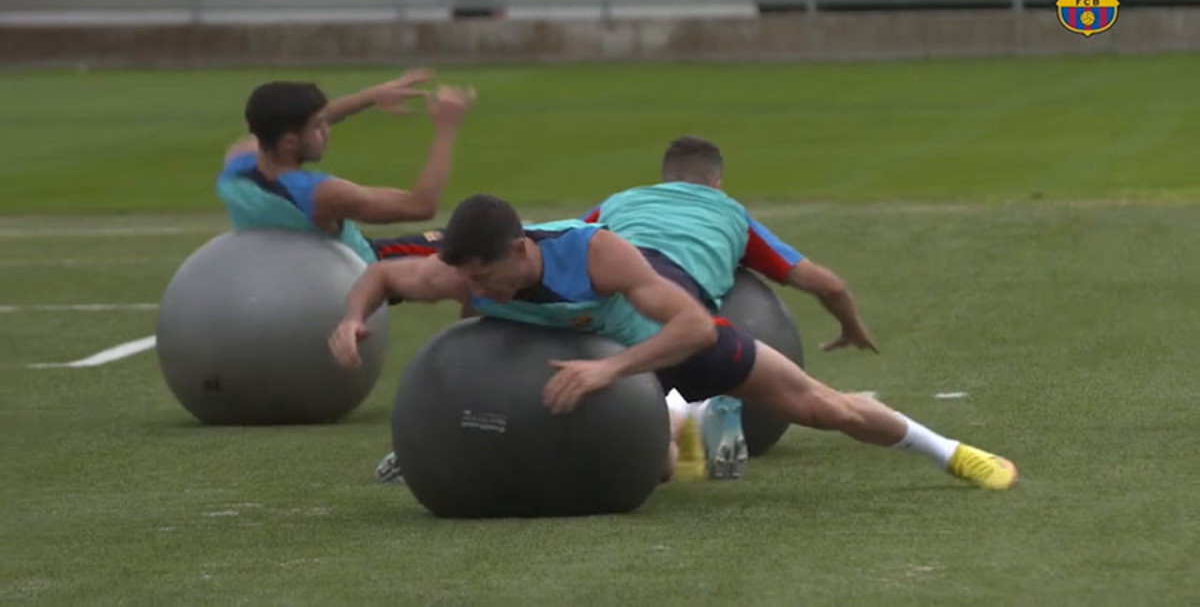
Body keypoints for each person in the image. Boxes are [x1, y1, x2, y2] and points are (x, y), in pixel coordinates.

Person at [329, 193, 1020, 492]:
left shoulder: (596, 253)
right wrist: (351, 317)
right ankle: (679, 427)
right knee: (656, 472)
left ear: (519, 248)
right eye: (464, 277)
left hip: (655, 346)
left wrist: (616, 372)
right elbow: (384, 272)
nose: (479, 288)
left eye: (487, 276)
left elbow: (690, 323)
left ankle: (952, 452)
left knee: (823, 407)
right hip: (582, 352)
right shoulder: (459, 271)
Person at [582, 135, 879, 478]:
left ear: (664, 177)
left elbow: (565, 246)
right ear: (717, 183)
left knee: (655, 465)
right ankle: (695, 411)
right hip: (686, 334)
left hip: (615, 328)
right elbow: (829, 285)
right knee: (656, 464)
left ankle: (681, 417)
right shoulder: (729, 215)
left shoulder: (618, 204)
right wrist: (851, 327)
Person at [218, 71, 475, 264]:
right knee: (476, 248)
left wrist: (372, 97)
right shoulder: (321, 194)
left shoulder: (238, 164)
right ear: (289, 142)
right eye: (318, 126)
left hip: (295, 269)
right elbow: (420, 206)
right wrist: (446, 127)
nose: (326, 131)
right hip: (361, 270)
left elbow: (300, 123)